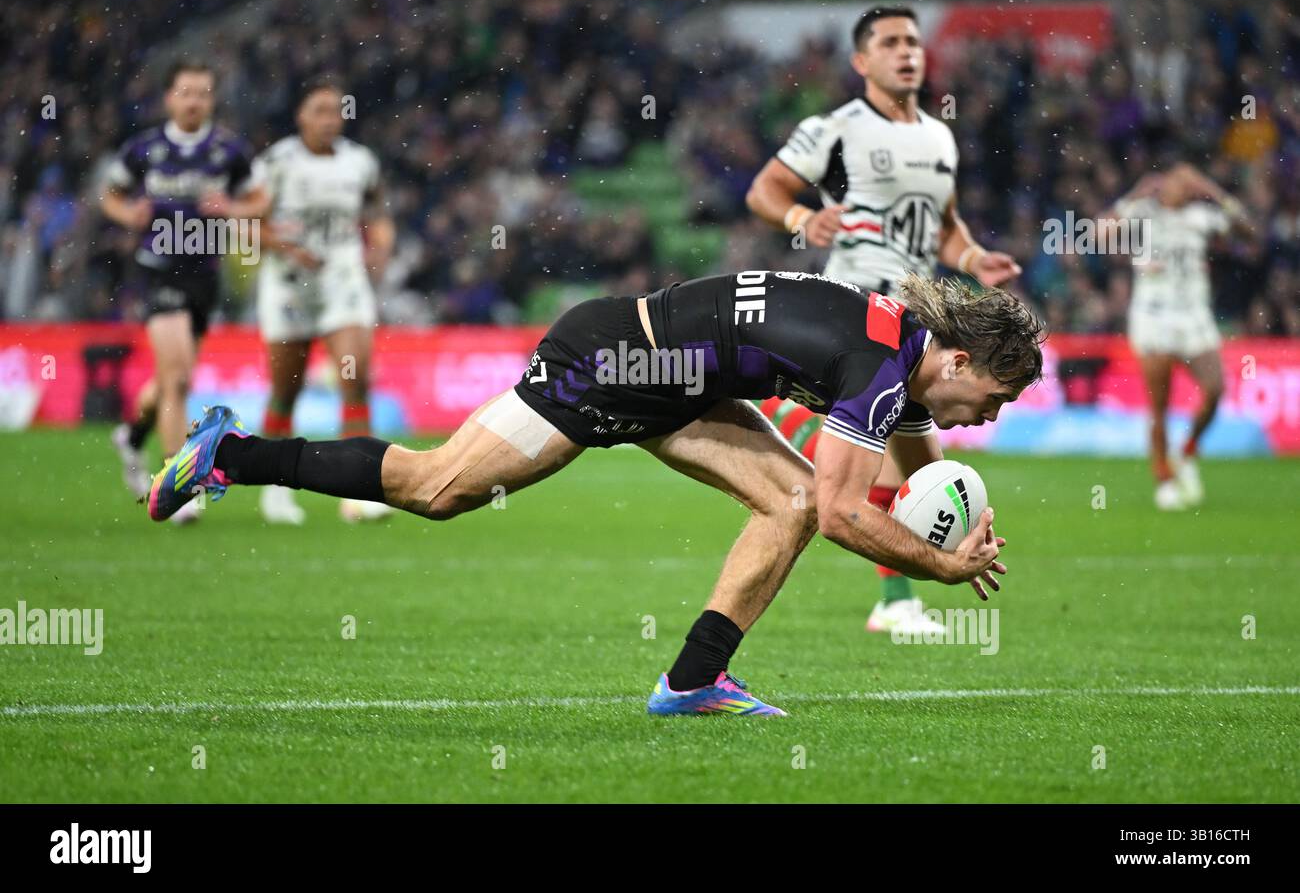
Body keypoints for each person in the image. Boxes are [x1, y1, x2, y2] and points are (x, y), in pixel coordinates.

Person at [145, 270, 1044, 717]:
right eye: (993, 401)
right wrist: (937, 565)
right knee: (437, 488)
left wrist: (935, 498)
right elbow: (853, 507)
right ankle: (234, 454)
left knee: (793, 502)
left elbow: (895, 450)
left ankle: (693, 682)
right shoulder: (880, 368)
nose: (987, 420)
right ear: (959, 361)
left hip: (672, 373)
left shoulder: (894, 346)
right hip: (612, 363)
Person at [746, 5, 1020, 636]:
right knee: (894, 467)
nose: (908, 53)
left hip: (915, 317)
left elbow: (943, 228)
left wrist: (975, 258)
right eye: (891, 43)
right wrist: (799, 220)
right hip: (856, 308)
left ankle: (894, 598)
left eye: (914, 42)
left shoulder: (939, 137)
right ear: (861, 61)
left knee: (904, 467)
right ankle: (896, 602)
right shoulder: (837, 127)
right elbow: (766, 188)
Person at [103, 59, 263, 524]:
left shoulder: (229, 151)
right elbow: (111, 194)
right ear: (170, 98)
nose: (194, 100)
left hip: (203, 277)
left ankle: (131, 436)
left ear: (211, 99)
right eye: (186, 92)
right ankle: (177, 483)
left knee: (175, 380)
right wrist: (127, 214)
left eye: (203, 92)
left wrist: (232, 206)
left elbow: (260, 199)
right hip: (158, 270)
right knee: (175, 380)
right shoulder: (145, 149)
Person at [249, 78, 396, 524]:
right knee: (286, 389)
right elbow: (246, 225)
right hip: (290, 284)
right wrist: (285, 246)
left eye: (336, 111)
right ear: (301, 116)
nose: (330, 119)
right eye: (320, 111)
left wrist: (381, 247)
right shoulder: (275, 163)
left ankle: (358, 491)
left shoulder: (360, 163)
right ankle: (275, 489)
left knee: (356, 377)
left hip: (341, 280)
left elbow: (377, 211)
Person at [1104, 164, 1254, 509]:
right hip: (1153, 317)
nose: (1184, 188)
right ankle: (1164, 478)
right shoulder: (1142, 213)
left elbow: (1249, 231)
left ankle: (1186, 452)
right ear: (1163, 185)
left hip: (1194, 317)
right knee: (1160, 406)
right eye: (1178, 181)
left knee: (1215, 390)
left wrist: (1215, 191)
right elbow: (1097, 235)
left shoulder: (1202, 216)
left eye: (1190, 182)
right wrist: (1132, 194)